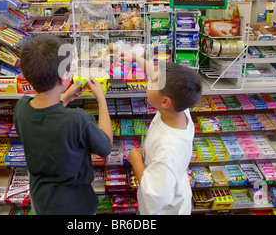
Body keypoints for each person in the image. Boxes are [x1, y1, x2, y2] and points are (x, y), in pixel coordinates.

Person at [14, 34, 113, 215]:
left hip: (41, 200)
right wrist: (101, 99)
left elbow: (45, 122)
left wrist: (64, 98)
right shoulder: (77, 120)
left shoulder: (21, 108)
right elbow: (105, 146)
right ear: (63, 78)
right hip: (76, 206)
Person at [121, 51, 202, 215]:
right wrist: (137, 59)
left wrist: (136, 161)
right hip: (170, 185)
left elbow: (153, 194)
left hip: (165, 209)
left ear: (165, 102)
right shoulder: (179, 110)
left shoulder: (168, 150)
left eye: (152, 84)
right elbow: (156, 74)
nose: (148, 83)